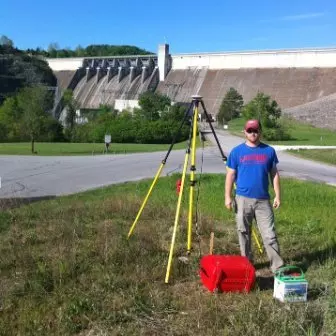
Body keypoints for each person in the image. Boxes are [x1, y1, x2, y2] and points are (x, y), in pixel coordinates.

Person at [225, 119, 284, 273]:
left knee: (269, 235)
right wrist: (228, 197)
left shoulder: (269, 151)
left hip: (263, 200)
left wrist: (278, 195)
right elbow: (230, 175)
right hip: (242, 199)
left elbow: (274, 174)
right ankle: (247, 265)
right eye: (250, 130)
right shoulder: (236, 152)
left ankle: (277, 267)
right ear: (244, 132)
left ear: (260, 132)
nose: (253, 133)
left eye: (256, 130)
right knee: (243, 233)